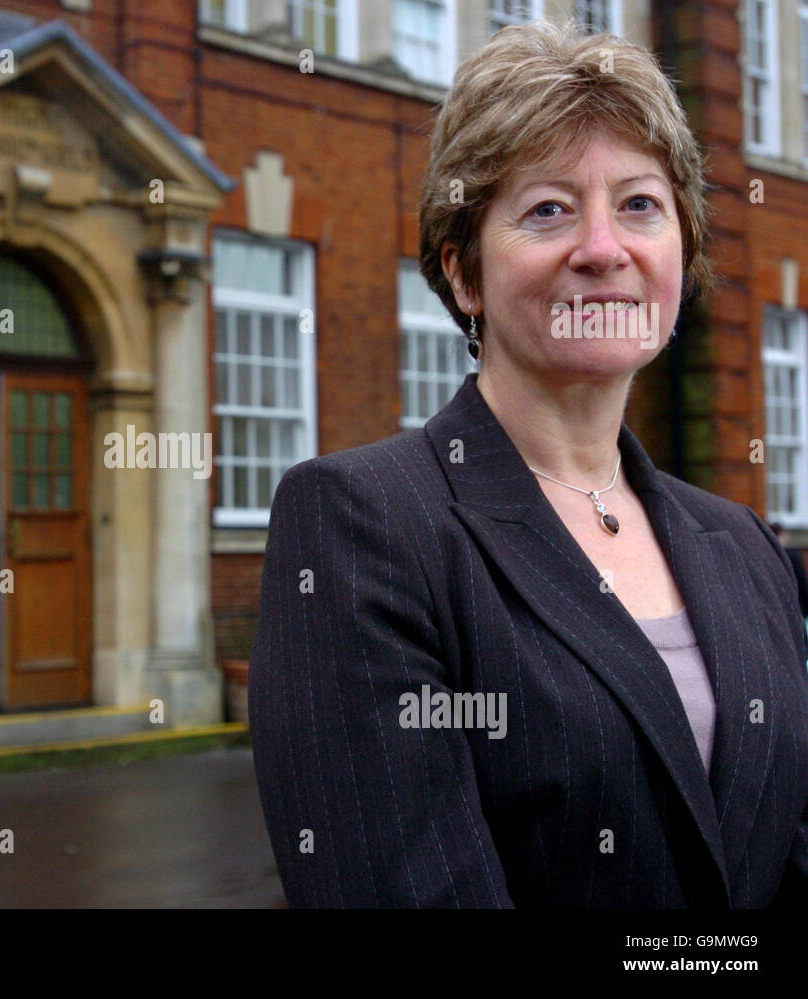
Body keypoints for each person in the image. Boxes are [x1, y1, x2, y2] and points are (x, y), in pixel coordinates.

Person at [250, 21, 808, 907]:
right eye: (547, 208)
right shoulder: (364, 524)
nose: (602, 247)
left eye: (639, 205)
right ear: (464, 274)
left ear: (680, 255)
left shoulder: (746, 547)